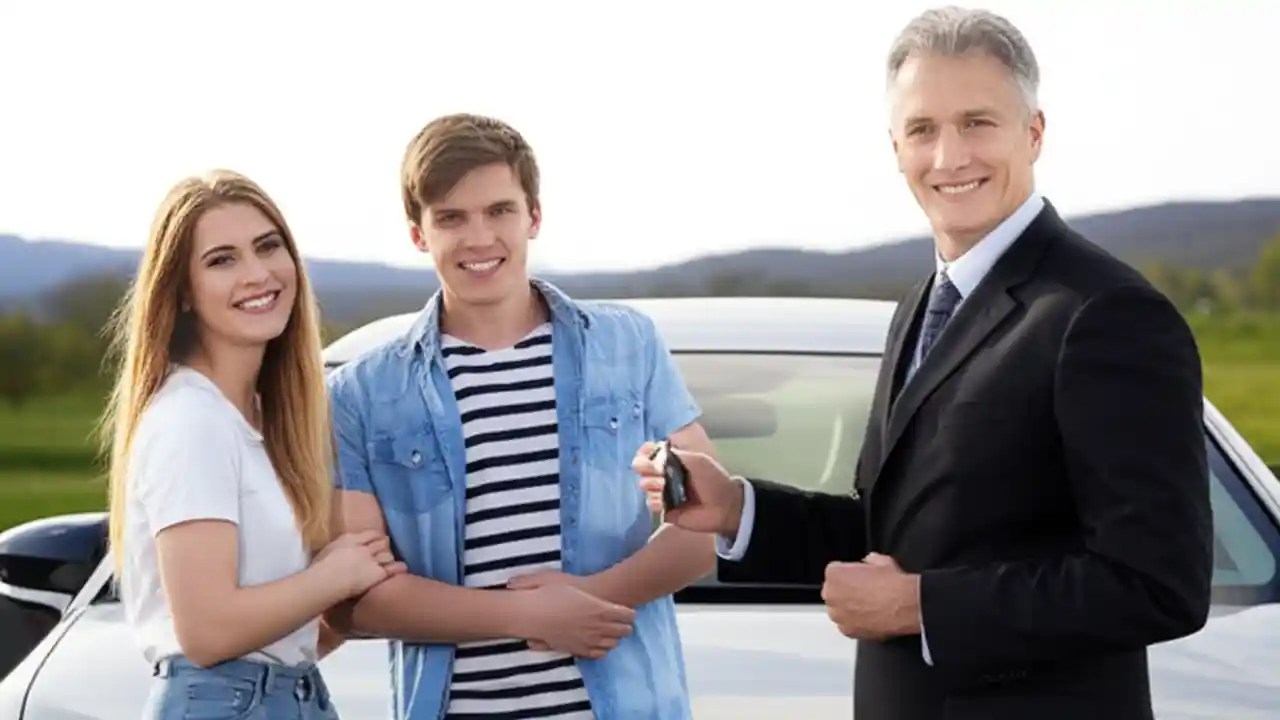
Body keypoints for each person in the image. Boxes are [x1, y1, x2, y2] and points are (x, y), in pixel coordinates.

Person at [635, 7, 1213, 719]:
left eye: (977, 122)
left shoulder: (1106, 314)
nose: (949, 157)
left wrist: (920, 607)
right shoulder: (920, 306)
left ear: (1034, 133)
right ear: (895, 147)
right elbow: (899, 535)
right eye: (922, 130)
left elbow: (1159, 582)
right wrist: (735, 508)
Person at [324, 113, 715, 719]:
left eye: (499, 211)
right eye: (451, 217)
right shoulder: (362, 394)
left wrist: (590, 600)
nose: (479, 238)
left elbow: (704, 528)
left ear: (534, 216)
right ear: (418, 234)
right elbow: (354, 601)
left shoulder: (628, 346)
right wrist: (527, 614)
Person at [102, 170, 407, 720]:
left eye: (268, 247)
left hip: (289, 697)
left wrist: (355, 582)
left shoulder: (262, 423)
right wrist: (331, 576)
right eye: (222, 259)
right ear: (183, 294)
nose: (257, 273)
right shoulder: (190, 420)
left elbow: (283, 636)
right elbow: (208, 632)